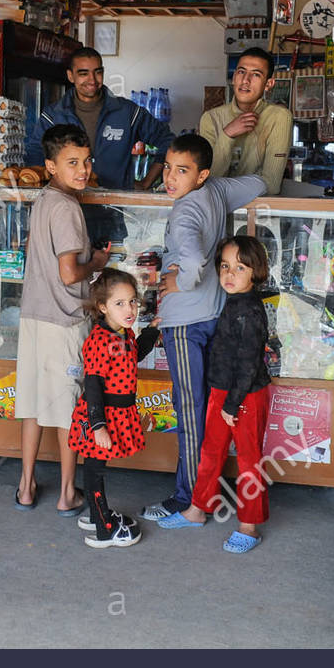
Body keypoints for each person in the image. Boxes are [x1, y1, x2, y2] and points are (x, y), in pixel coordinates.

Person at [140, 133, 265, 523]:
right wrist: (214, 184)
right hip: (213, 315)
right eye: (169, 168)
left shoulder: (184, 213)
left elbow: (192, 261)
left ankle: (187, 500)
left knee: (191, 412)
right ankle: (200, 494)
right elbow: (258, 183)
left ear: (201, 172)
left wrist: (179, 281)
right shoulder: (215, 191)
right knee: (205, 410)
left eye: (183, 171)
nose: (171, 179)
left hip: (184, 322)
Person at [14, 124, 110, 515]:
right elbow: (70, 273)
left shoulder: (43, 200)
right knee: (71, 409)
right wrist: (99, 263)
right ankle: (67, 493)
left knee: (35, 405)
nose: (82, 170)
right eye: (72, 163)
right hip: (64, 321)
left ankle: (25, 486)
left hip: (33, 317)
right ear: (50, 166)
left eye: (86, 161)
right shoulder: (69, 208)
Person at [158, 236, 273, 553]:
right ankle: (197, 509)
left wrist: (232, 404)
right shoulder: (231, 302)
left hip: (244, 396)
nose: (229, 274)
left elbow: (249, 363)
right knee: (211, 452)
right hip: (222, 392)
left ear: (255, 271)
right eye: (224, 266)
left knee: (249, 461)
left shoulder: (250, 311)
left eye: (239, 267)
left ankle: (248, 526)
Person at [67, 269, 159, 549]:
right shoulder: (99, 340)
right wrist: (98, 426)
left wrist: (153, 329)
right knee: (94, 472)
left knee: (97, 469)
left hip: (118, 414)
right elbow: (93, 385)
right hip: (102, 415)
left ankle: (98, 515)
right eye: (119, 303)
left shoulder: (125, 334)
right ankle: (105, 528)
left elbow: (134, 354)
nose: (129, 309)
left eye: (132, 301)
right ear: (102, 307)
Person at [24, 47, 175, 190]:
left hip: (114, 209)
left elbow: (168, 141)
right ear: (71, 76)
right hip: (68, 205)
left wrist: (146, 182)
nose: (92, 80)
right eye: (83, 73)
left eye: (97, 72)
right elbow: (35, 155)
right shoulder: (53, 116)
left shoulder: (127, 112)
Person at [198, 46, 293, 195]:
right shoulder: (211, 118)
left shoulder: (279, 117)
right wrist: (228, 134)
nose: (245, 81)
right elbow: (206, 181)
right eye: (241, 72)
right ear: (234, 77)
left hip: (259, 212)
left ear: (268, 84)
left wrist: (223, 186)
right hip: (215, 212)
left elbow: (271, 185)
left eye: (255, 75)